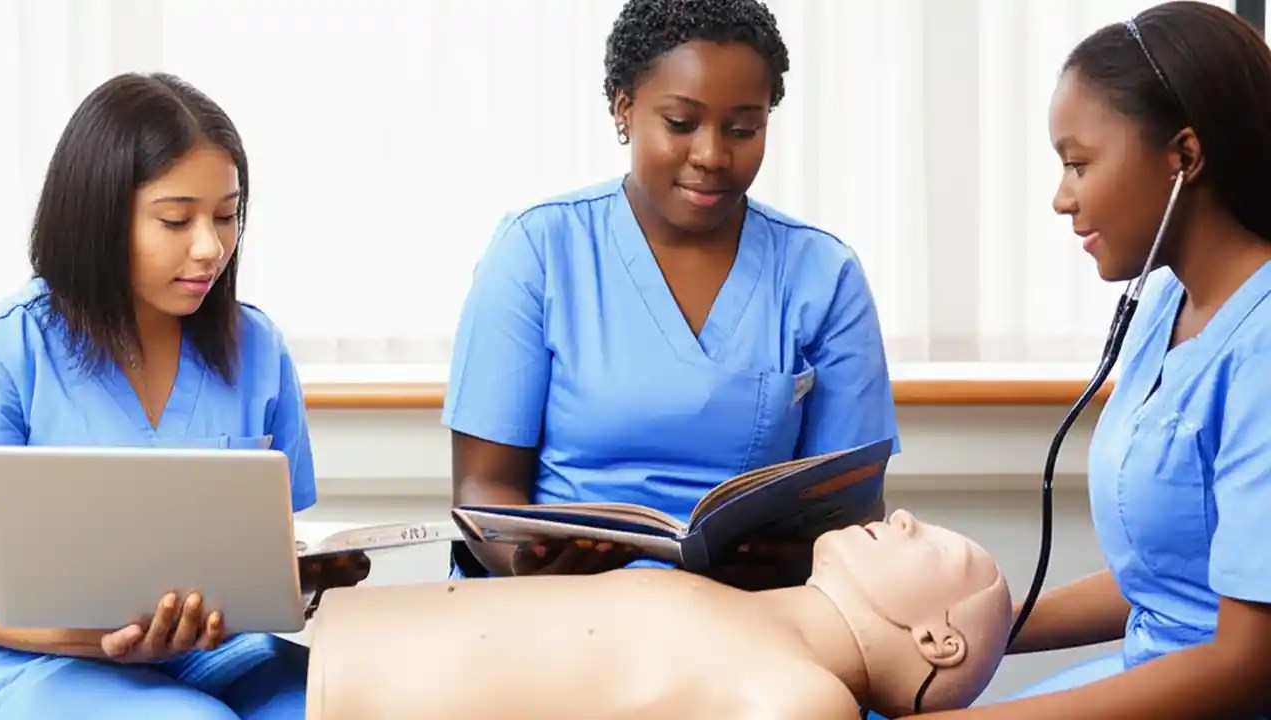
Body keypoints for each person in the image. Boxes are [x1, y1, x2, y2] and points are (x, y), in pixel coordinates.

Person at [442, 0, 899, 589]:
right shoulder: (536, 250)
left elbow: (854, 507)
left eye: (743, 129)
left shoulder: (824, 274)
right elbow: (483, 489)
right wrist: (530, 563)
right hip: (560, 609)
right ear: (624, 108)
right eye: (681, 124)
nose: (711, 156)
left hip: (751, 615)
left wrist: (796, 561)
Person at [919, 3, 1271, 718]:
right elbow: (1170, 580)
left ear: (1185, 156)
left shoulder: (1262, 347)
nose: (1060, 198)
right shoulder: (1163, 308)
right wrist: (975, 631)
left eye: (1078, 163)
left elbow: (1248, 661)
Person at [0, 72, 366, 719]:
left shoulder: (256, 346)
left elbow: (272, 549)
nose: (210, 247)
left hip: (218, 650)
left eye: (227, 215)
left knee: (346, 703)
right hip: (48, 662)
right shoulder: (12, 348)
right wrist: (105, 640)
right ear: (96, 216)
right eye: (175, 219)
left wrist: (304, 576)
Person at [305, 510, 1012, 719]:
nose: (907, 517)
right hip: (334, 653)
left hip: (335, 701)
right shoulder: (751, 614)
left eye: (944, 547)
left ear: (936, 641)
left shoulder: (802, 697)